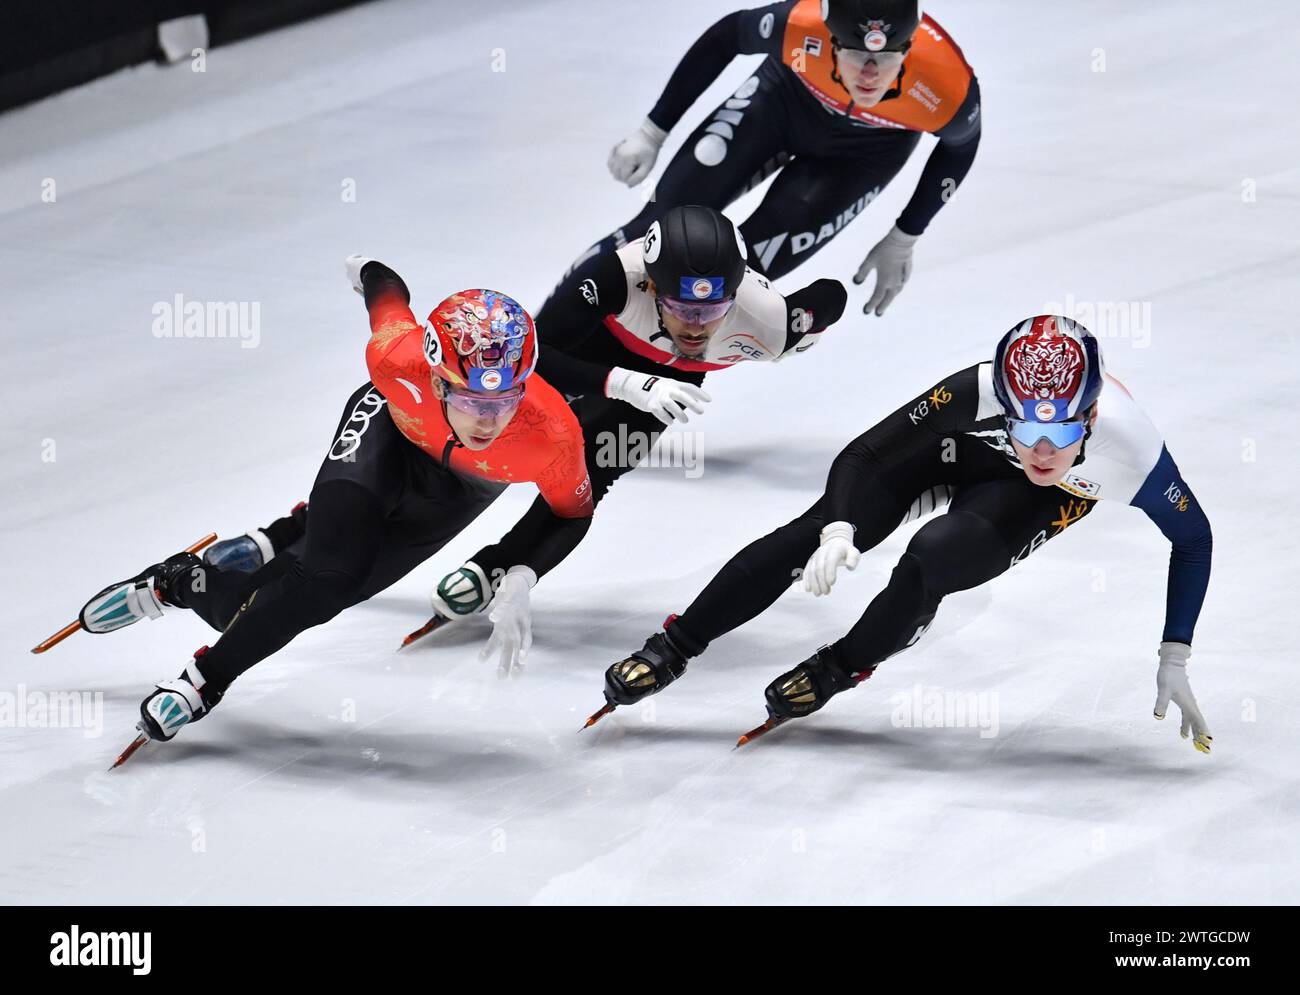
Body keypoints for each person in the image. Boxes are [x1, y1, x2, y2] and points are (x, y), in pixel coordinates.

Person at [595, 315, 1215, 752]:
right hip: (961, 451)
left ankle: (840, 667)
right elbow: (864, 456)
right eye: (1024, 430)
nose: (1042, 449)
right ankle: (673, 647)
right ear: (1001, 401)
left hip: (1031, 502)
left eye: (1061, 434)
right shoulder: (975, 391)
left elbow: (1193, 539)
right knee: (811, 533)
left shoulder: (1131, 451)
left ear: (1093, 414)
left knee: (932, 557)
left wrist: (1175, 653)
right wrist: (840, 529)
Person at [78, 257, 593, 748]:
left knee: (265, 606)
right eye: (470, 400)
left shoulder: (552, 436)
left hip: (461, 487)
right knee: (328, 580)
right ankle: (203, 682)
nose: (488, 420)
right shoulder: (397, 359)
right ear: (436, 377)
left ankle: (182, 581)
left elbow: (571, 515)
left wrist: (523, 574)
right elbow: (388, 299)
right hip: (387, 433)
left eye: (505, 401)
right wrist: (365, 268)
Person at [415, 204, 848, 662]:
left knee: (597, 469)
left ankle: (500, 564)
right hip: (598, 353)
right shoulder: (616, 276)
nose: (697, 326)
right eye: (682, 309)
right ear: (653, 285)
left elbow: (831, 296)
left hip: (675, 384)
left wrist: (803, 331)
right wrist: (621, 382)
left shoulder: (769, 322)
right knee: (517, 427)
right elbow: (535, 357)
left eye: (714, 309)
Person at [600, 0, 981, 310]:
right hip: (783, 103)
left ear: (909, 48)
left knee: (738, 283)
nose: (868, 74)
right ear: (829, 39)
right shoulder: (800, 23)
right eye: (854, 54)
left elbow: (961, 146)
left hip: (864, 154)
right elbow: (727, 35)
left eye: (885, 59)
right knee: (651, 230)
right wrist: (653, 130)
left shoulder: (946, 85)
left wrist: (905, 235)